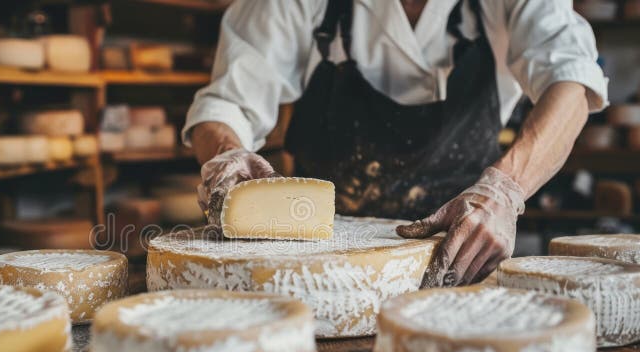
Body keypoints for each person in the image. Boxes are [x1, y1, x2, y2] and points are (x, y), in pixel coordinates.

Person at [183, 0, 608, 287]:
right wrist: (227, 154)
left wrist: (504, 190)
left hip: (461, 259)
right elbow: (226, 104)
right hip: (319, 271)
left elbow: (571, 80)